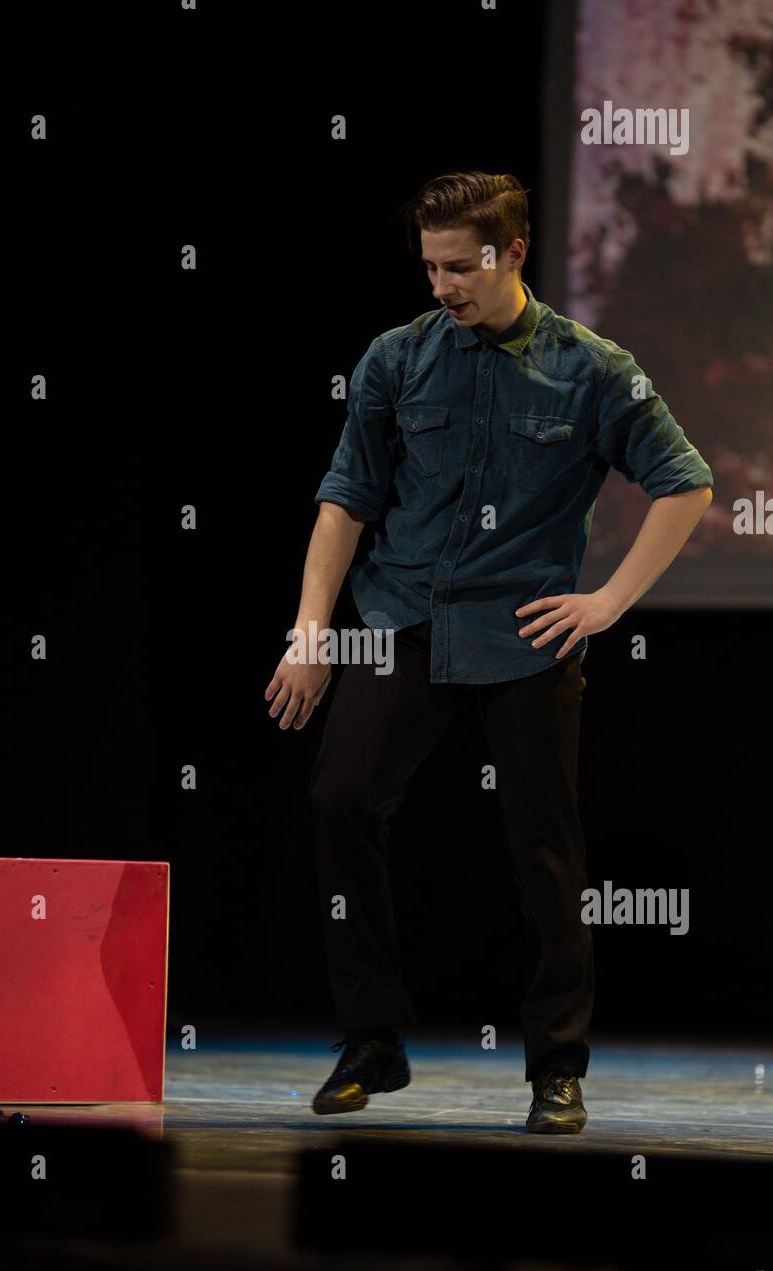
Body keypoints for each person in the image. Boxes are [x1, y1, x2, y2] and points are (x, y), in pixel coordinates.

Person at [264, 170, 713, 1134]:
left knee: (542, 849)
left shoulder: (592, 368)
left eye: (459, 267)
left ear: (513, 253)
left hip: (523, 631)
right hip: (403, 619)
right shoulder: (396, 359)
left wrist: (606, 603)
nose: (442, 286)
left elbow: (686, 484)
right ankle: (373, 1040)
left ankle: (556, 1066)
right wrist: (311, 633)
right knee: (340, 799)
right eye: (428, 267)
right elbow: (344, 500)